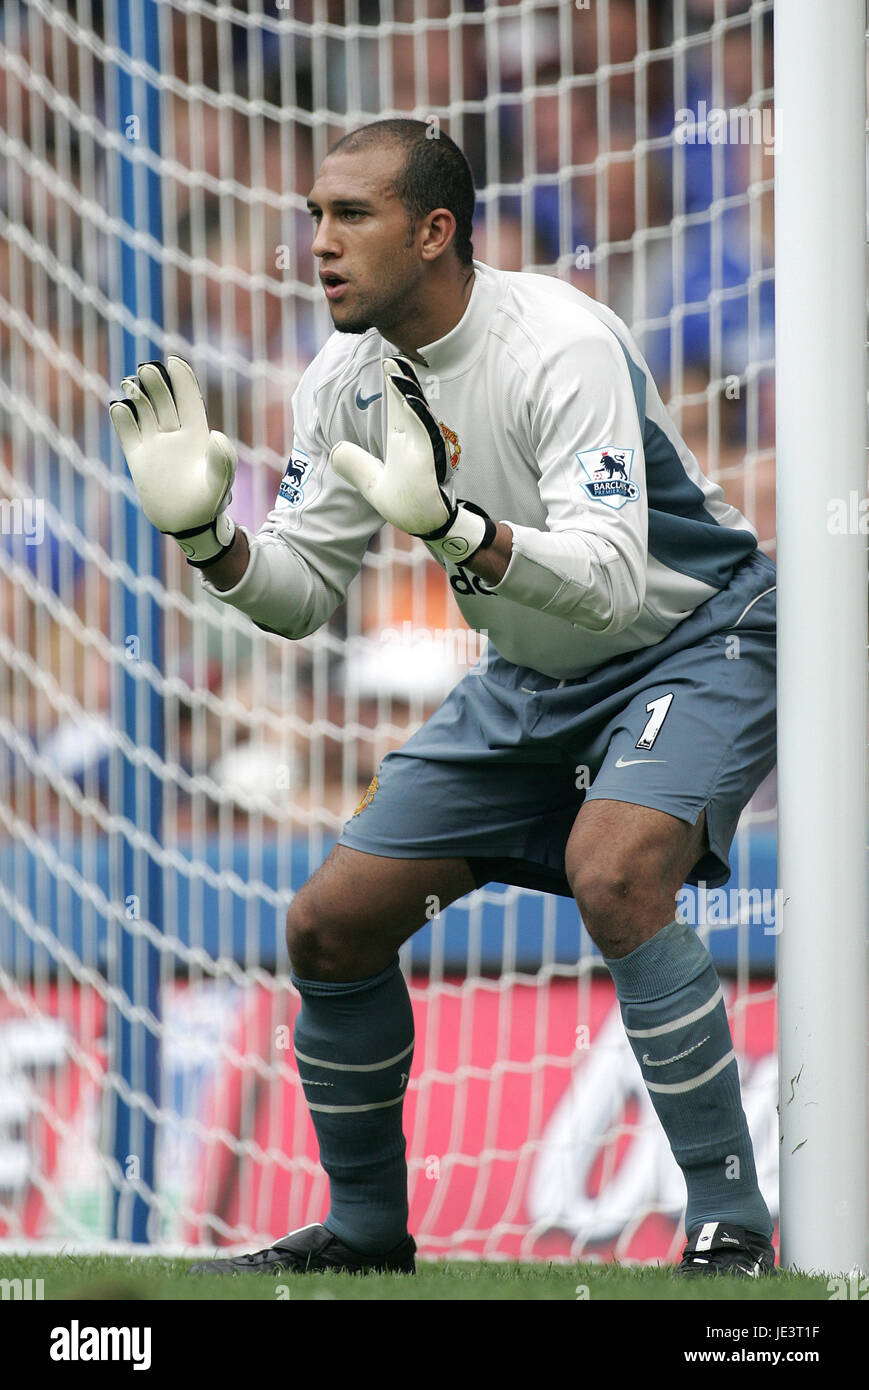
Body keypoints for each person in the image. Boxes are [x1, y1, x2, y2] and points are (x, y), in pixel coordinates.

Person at [109, 118, 777, 1279]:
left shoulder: (558, 343)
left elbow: (617, 571)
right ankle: (366, 1237)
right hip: (530, 677)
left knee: (613, 872)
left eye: (349, 215)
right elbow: (303, 594)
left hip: (692, 633)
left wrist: (454, 527)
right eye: (313, 214)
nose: (317, 242)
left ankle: (730, 1234)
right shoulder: (342, 379)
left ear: (434, 232)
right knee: (329, 921)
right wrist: (206, 538)